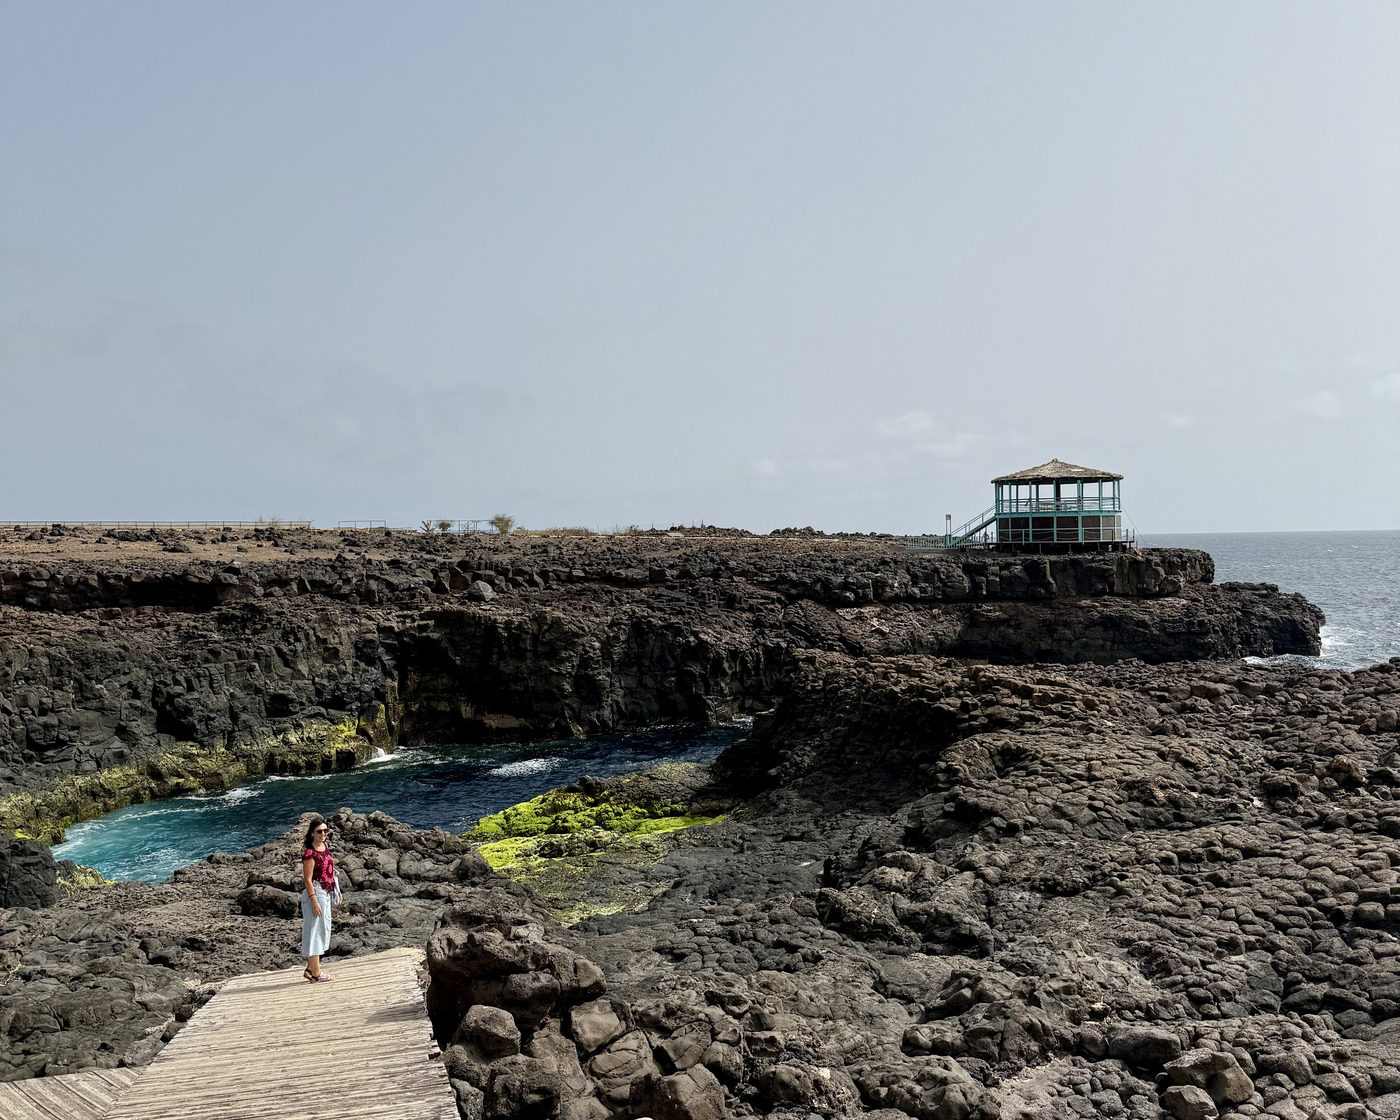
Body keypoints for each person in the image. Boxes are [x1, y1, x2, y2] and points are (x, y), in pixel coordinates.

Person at [300, 816, 338, 982]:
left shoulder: (324, 846)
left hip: (326, 891)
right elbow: (307, 879)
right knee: (315, 932)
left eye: (325, 831)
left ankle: (310, 968)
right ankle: (316, 973)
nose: (323, 834)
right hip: (316, 893)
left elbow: (330, 869)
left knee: (322, 930)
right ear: (312, 833)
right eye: (319, 831)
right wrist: (314, 901)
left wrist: (336, 889)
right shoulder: (310, 853)